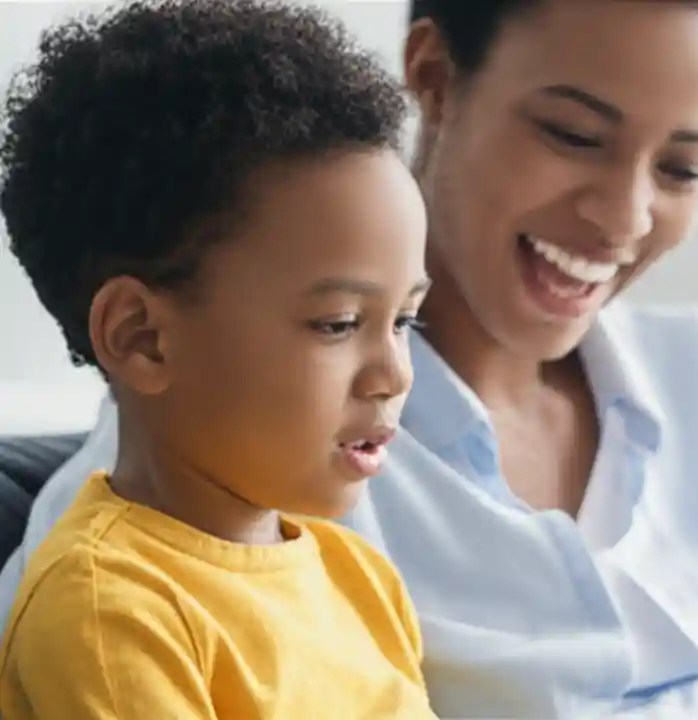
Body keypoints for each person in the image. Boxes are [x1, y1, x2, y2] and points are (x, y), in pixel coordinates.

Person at [0, 0, 698, 717]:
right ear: (432, 75)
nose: (623, 217)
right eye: (572, 134)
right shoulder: (246, 460)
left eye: (680, 168)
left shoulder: (697, 381)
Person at [0, 1, 435, 718]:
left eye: (405, 320)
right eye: (338, 324)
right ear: (143, 337)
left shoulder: (358, 577)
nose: (394, 374)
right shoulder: (109, 612)